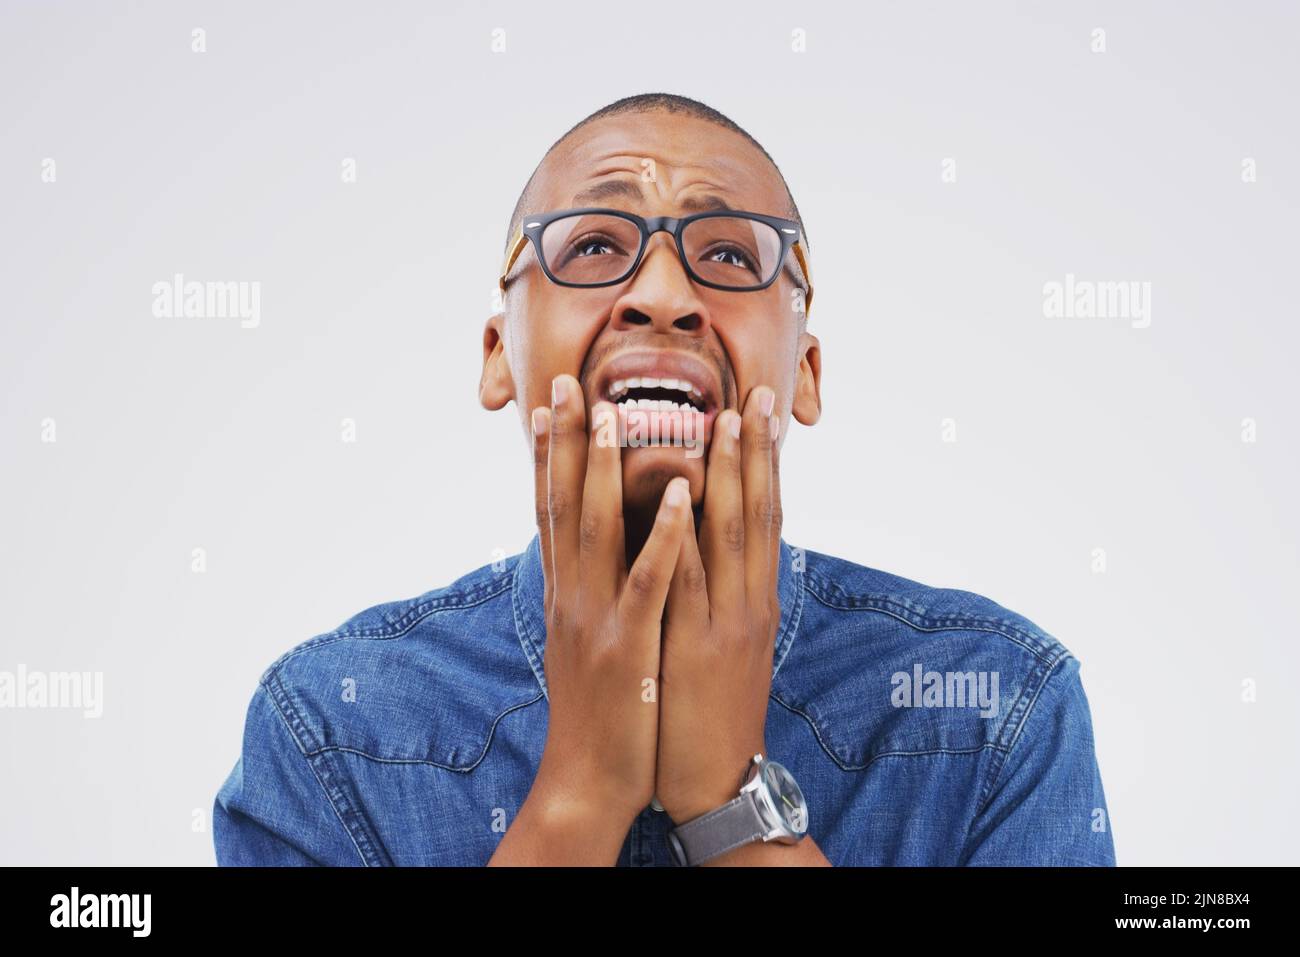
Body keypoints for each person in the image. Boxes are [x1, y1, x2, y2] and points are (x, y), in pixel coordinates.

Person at [213, 92, 1116, 866]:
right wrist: (582, 784)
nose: (662, 292)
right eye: (596, 246)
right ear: (499, 355)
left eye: (728, 255)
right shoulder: (327, 729)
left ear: (803, 371)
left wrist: (728, 791)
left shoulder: (1000, 707)